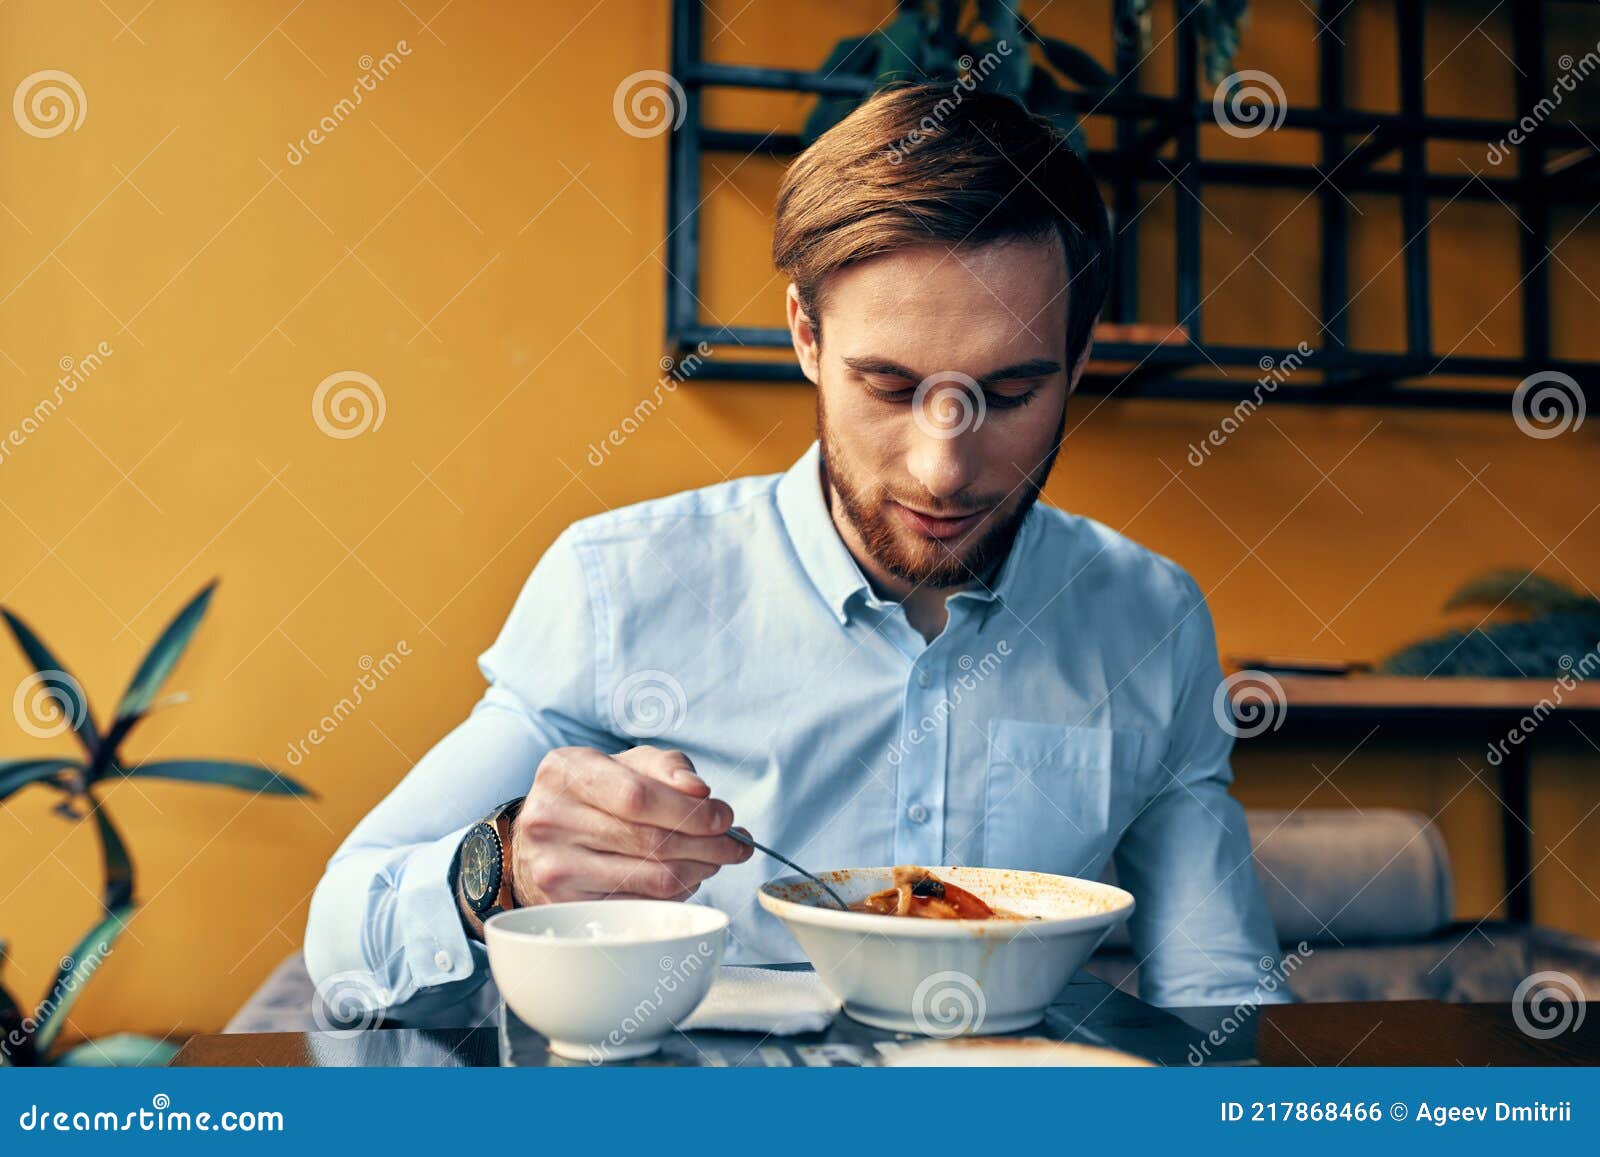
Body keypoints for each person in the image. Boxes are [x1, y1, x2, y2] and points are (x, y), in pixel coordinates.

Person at [304, 83, 1285, 1022]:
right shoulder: (617, 588)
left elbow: (1216, 987)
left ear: (1076, 361)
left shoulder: (1147, 619)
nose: (942, 469)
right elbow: (341, 943)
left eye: (1014, 390)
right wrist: (500, 869)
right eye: (888, 387)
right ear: (806, 337)